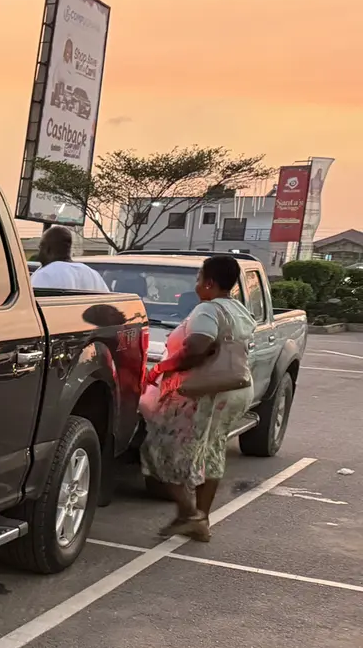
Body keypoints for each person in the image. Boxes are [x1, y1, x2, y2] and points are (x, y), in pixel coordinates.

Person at [139, 254, 256, 542]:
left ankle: (188, 512)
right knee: (213, 448)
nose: (196, 284)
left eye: (199, 278)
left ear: (210, 283)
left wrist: (161, 368)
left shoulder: (208, 310)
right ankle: (200, 519)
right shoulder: (238, 310)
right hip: (236, 389)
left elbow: (198, 347)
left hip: (207, 391)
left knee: (160, 447)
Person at [30, 225, 110, 291]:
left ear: (47, 249)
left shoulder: (44, 275)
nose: (38, 252)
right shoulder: (92, 274)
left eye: (40, 247)